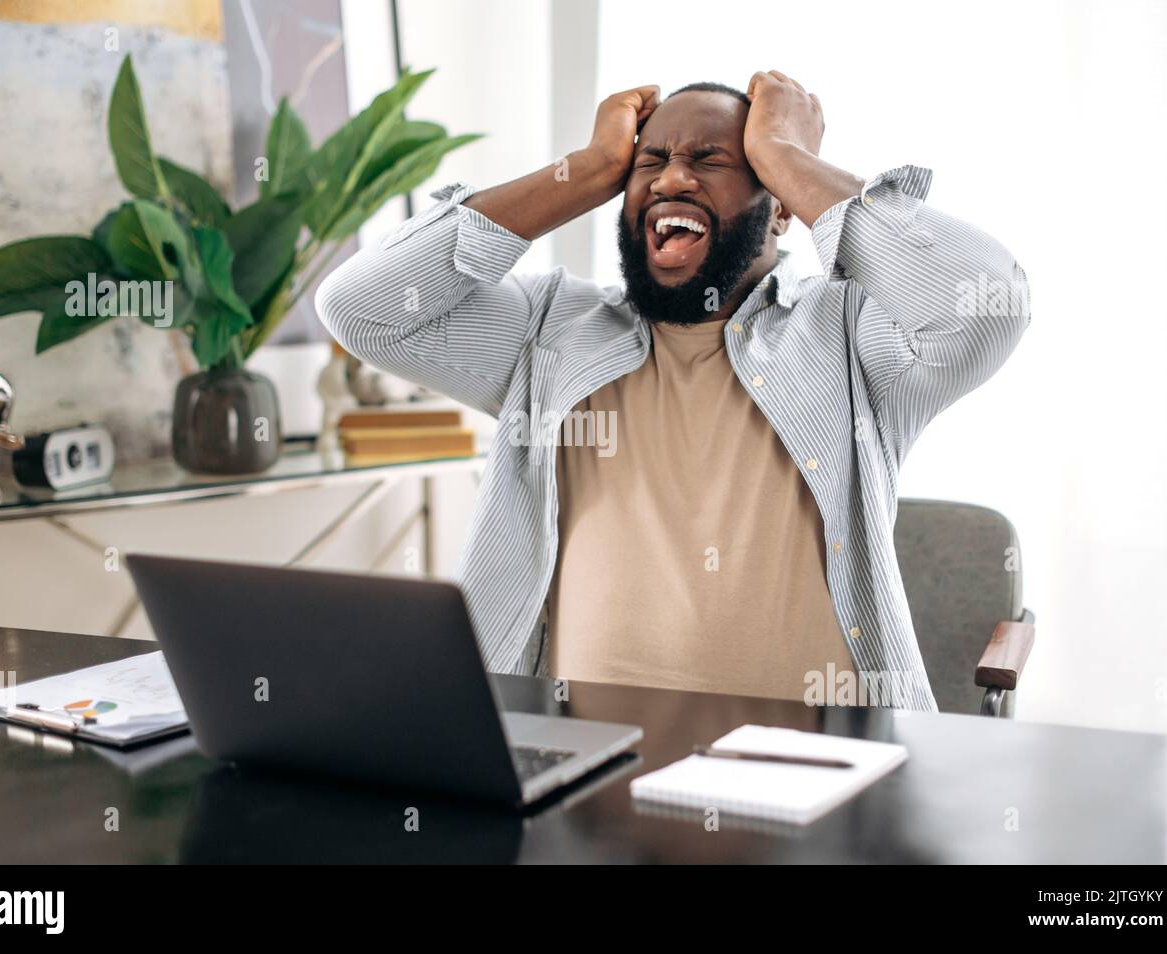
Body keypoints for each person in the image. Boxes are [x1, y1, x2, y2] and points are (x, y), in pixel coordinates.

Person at [315, 71, 1030, 710]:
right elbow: (362, 309)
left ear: (780, 208)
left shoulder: (850, 337)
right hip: (586, 773)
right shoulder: (550, 330)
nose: (672, 179)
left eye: (710, 160)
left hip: (818, 774)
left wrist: (791, 160)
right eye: (649, 162)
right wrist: (587, 170)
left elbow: (983, 299)